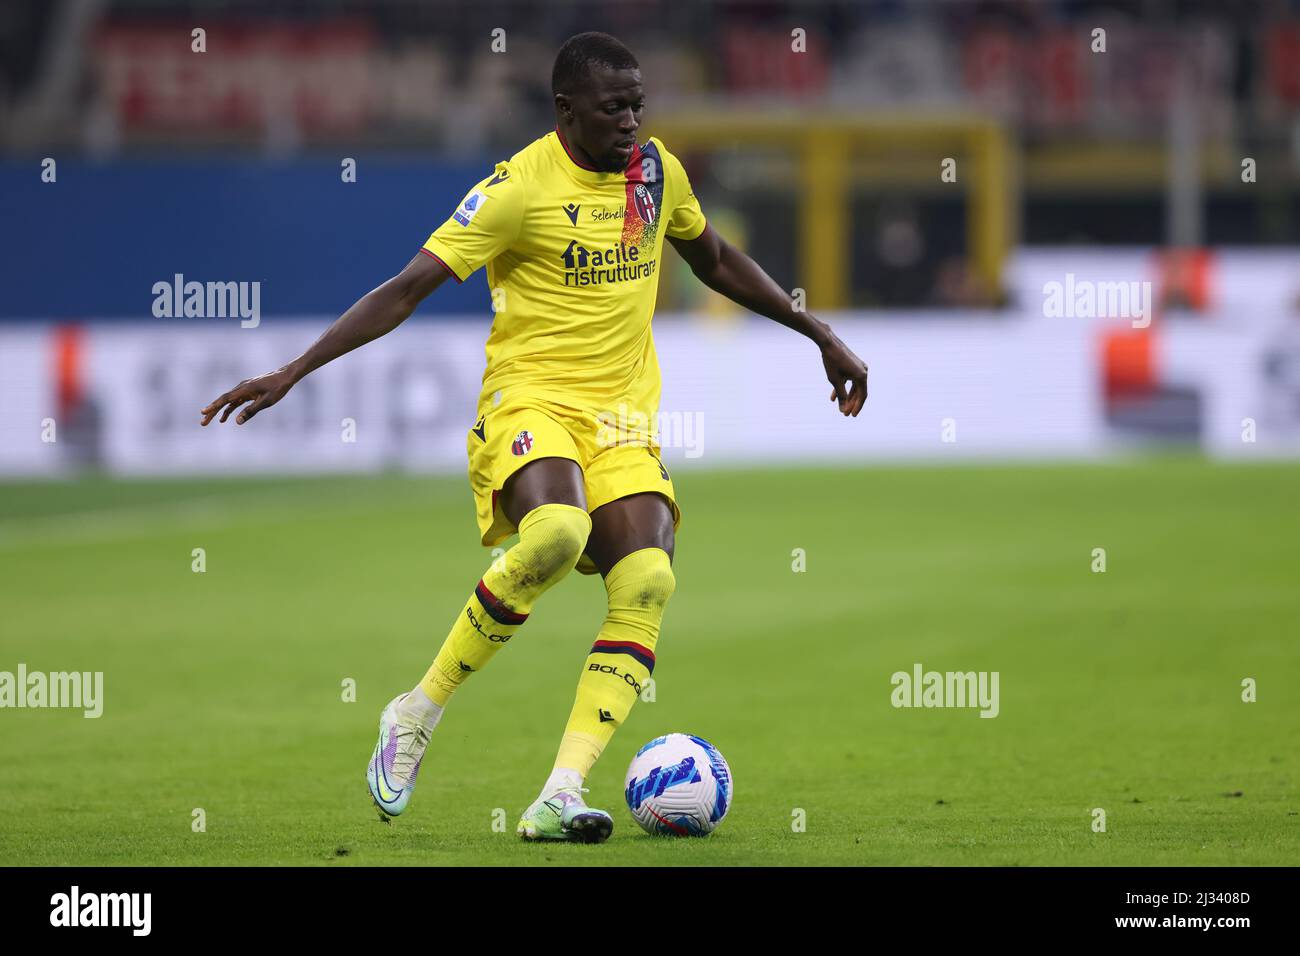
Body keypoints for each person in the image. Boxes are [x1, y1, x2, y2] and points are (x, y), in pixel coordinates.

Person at [200, 31, 868, 843]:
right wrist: (294, 370)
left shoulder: (656, 172)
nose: (631, 120)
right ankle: (416, 712)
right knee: (557, 531)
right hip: (530, 404)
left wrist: (814, 330)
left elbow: (715, 258)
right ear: (566, 109)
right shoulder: (516, 189)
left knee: (649, 579)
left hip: (621, 417)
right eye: (612, 106)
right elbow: (409, 286)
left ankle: (559, 793)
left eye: (638, 104)